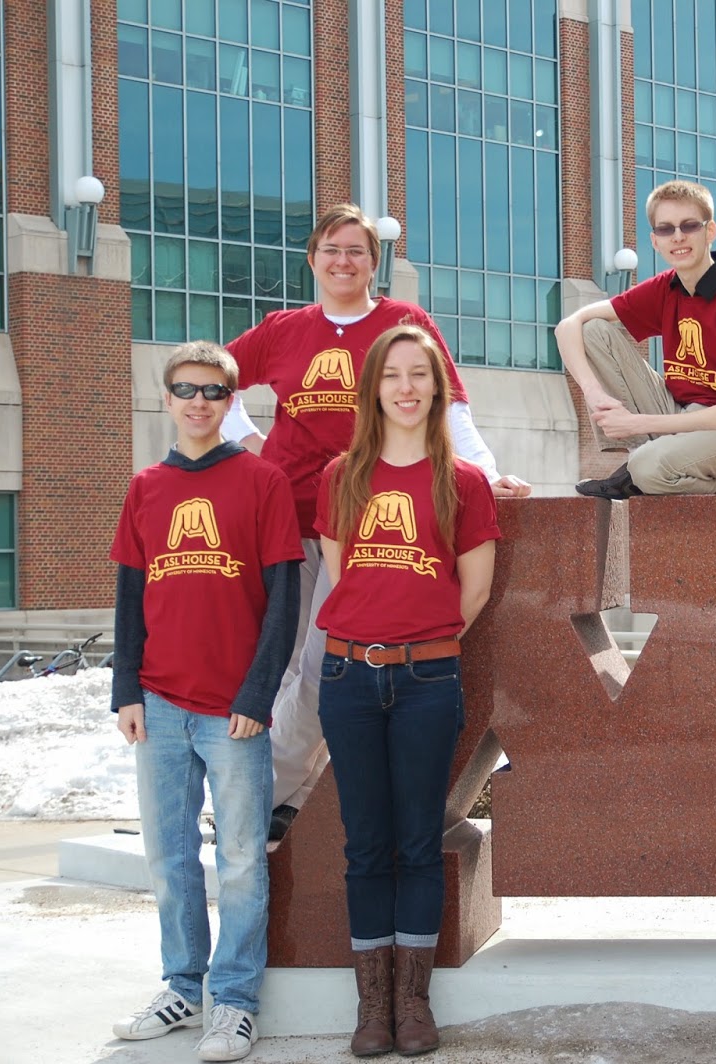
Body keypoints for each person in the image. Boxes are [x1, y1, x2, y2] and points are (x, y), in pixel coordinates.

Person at [222, 203, 529, 840]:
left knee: (318, 664)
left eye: (356, 251)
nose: (343, 261)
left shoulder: (402, 323)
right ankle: (290, 797)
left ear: (373, 262)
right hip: (283, 522)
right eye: (331, 249)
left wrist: (485, 472)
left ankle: (253, 798)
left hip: (363, 531)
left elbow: (450, 408)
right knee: (275, 663)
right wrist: (252, 452)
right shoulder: (284, 329)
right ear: (312, 260)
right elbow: (213, 382)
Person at [109, 342, 304, 1061]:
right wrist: (124, 688)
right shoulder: (146, 487)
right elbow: (132, 595)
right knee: (169, 856)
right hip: (158, 704)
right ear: (167, 399)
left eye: (213, 391)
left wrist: (259, 692)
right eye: (185, 389)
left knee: (244, 859)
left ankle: (236, 1002)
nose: (198, 401)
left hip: (234, 711)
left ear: (230, 402)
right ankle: (184, 987)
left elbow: (285, 598)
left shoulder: (261, 482)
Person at [314, 324, 500, 1056]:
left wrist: (415, 638)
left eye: (419, 373)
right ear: (373, 389)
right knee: (365, 845)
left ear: (437, 387)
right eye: (392, 374)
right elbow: (340, 575)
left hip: (428, 677)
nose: (406, 386)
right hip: (347, 676)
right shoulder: (341, 477)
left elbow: (475, 590)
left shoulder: (465, 482)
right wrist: (372, 638)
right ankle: (373, 1005)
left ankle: (413, 1004)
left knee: (418, 842)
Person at [554, 179, 716, 498]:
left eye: (689, 226)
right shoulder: (667, 287)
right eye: (665, 229)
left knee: (648, 467)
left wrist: (633, 423)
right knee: (592, 330)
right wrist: (593, 394)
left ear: (709, 231)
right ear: (655, 241)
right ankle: (644, 463)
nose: (677, 237)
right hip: (680, 414)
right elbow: (568, 325)